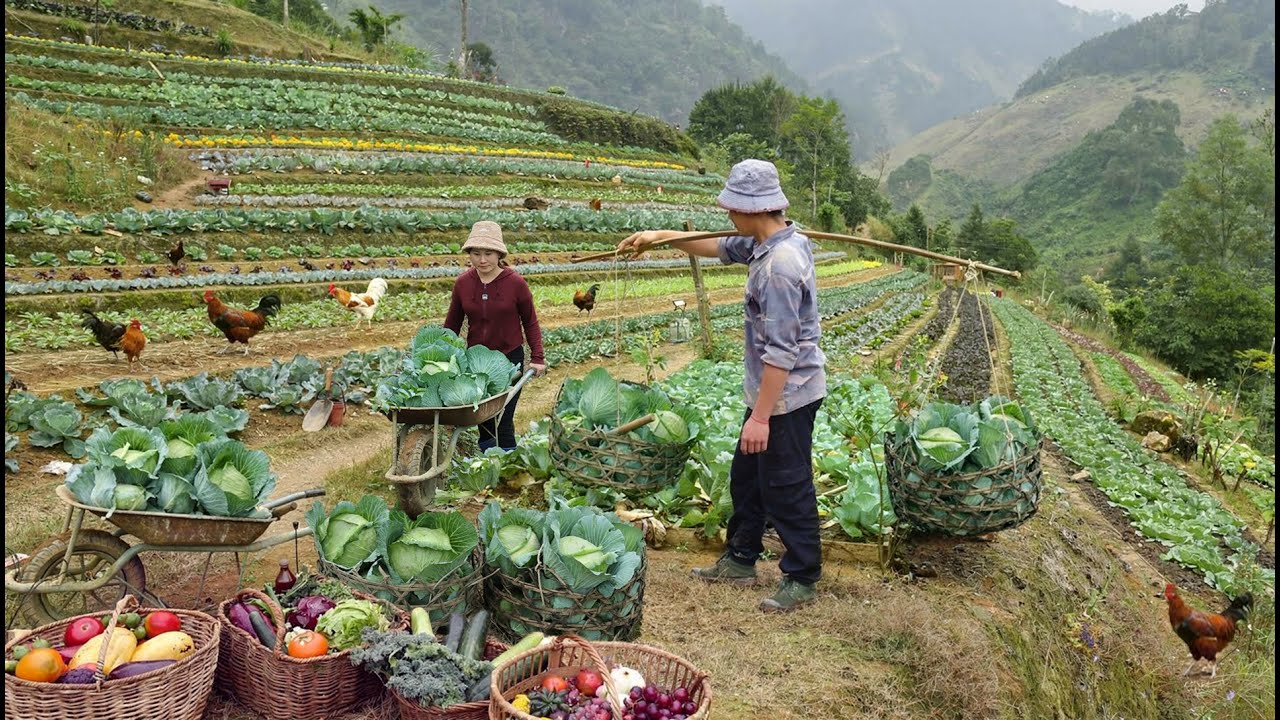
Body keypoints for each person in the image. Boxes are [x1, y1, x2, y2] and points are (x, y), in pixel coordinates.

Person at [617, 159, 826, 613]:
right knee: (747, 478)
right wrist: (660, 238)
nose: (728, 214)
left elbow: (782, 353)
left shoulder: (780, 267)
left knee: (787, 485)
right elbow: (716, 246)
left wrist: (761, 417)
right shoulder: (765, 243)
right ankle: (741, 558)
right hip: (770, 392)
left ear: (752, 209)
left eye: (733, 207)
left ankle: (802, 576)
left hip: (787, 394)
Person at [444, 221, 546, 452]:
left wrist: (537, 357)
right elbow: (452, 325)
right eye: (476, 253)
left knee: (503, 418)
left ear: (499, 254)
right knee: (483, 419)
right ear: (469, 254)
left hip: (510, 359)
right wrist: (443, 357)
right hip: (477, 362)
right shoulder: (463, 284)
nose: (482, 260)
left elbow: (530, 321)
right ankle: (488, 461)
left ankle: (507, 461)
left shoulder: (515, 284)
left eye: (488, 253)